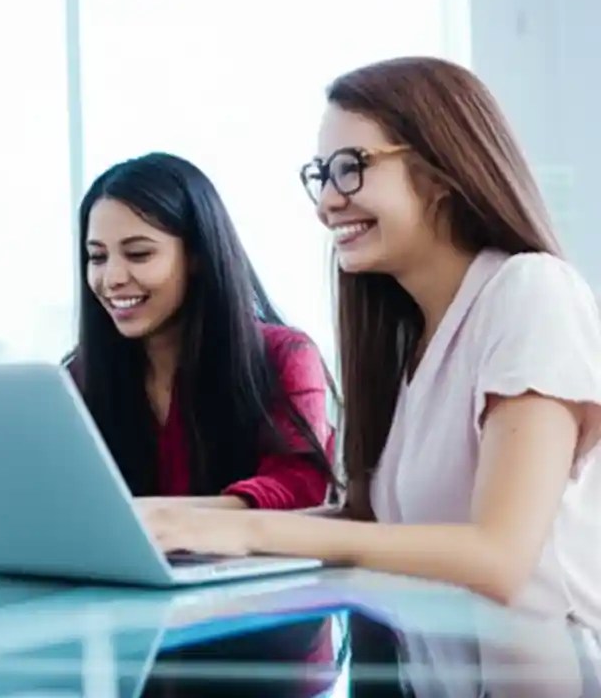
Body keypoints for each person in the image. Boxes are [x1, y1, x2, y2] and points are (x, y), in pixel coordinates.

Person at [143, 57, 601, 625]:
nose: (326, 201)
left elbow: (498, 558)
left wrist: (243, 527)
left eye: (350, 167)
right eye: (320, 174)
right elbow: (372, 531)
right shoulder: (407, 338)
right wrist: (167, 519)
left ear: (440, 173)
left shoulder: (531, 291)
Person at [67, 152, 335, 511]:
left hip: (252, 562)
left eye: (139, 254)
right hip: (123, 566)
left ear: (197, 256)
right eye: (97, 258)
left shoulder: (283, 355)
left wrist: (165, 519)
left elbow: (299, 482)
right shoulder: (80, 377)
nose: (111, 278)